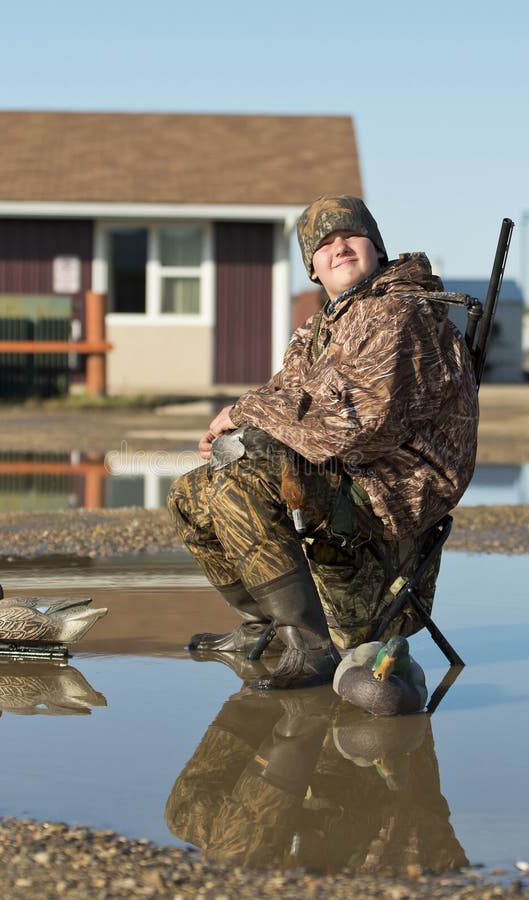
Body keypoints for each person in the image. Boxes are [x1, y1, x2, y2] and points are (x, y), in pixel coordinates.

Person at [167, 194, 478, 690]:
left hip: (395, 483)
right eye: (324, 245)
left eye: (350, 237)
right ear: (312, 268)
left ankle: (310, 647)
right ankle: (261, 622)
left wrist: (241, 413)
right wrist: (231, 430)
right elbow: (284, 398)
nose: (340, 249)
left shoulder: (402, 313)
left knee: (239, 482)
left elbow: (359, 423)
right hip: (347, 472)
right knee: (190, 493)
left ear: (376, 247)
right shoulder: (322, 327)